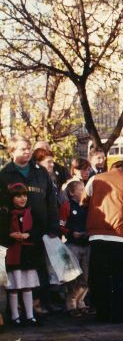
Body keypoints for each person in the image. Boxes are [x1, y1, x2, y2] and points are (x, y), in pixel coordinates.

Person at [0, 135, 60, 315]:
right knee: (16, 272)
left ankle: (37, 306)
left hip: (39, 231)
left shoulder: (40, 172)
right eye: (22, 149)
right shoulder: (4, 174)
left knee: (39, 270)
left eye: (28, 148)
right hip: (14, 235)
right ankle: (16, 310)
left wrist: (53, 226)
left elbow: (51, 201)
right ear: (12, 152)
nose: (27, 151)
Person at [84, 160, 123, 323]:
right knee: (120, 276)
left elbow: (83, 201)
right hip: (120, 235)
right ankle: (120, 313)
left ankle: (101, 313)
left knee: (99, 275)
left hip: (97, 234)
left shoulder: (95, 179)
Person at [0, 183, 40, 325]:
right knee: (14, 286)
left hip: (28, 254)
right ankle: (15, 316)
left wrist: (28, 234)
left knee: (27, 285)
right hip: (13, 253)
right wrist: (11, 234)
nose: (22, 199)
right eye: (18, 196)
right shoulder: (6, 214)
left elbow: (39, 230)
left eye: (24, 195)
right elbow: (2, 233)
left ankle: (30, 315)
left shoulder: (32, 211)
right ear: (11, 198)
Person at [59, 180, 90, 317]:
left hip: (87, 244)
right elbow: (61, 225)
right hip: (73, 245)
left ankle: (81, 301)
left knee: (86, 275)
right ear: (72, 193)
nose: (84, 192)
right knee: (73, 276)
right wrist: (71, 233)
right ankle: (71, 303)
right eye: (80, 189)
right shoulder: (67, 206)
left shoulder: (88, 206)